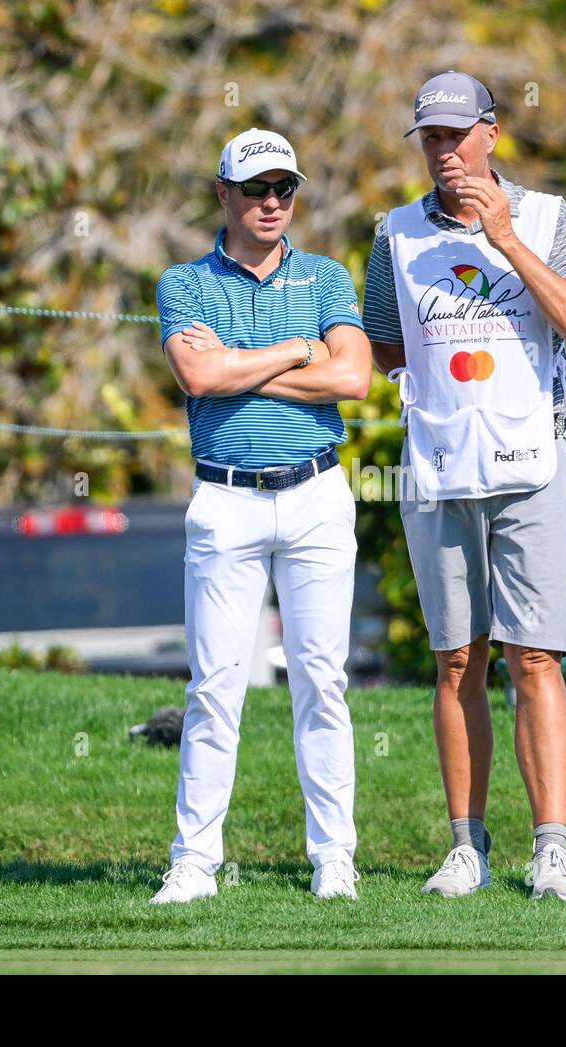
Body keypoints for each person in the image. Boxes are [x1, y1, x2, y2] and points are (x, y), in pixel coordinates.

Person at [363, 73, 566, 901]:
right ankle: (467, 848)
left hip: (534, 465)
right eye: (429, 137)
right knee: (455, 659)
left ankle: (553, 850)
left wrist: (506, 241)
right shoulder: (392, 233)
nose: (443, 151)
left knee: (533, 656)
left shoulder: (546, 216)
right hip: (437, 469)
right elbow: (385, 348)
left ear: (491, 134)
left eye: (456, 135)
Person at [152, 128, 372, 903]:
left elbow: (354, 377)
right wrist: (295, 352)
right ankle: (195, 861)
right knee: (214, 688)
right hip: (225, 498)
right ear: (223, 195)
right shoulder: (183, 283)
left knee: (322, 680)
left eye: (285, 188)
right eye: (255, 189)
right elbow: (196, 372)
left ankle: (333, 857)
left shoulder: (326, 276)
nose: (272, 202)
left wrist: (243, 368)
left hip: (316, 495)